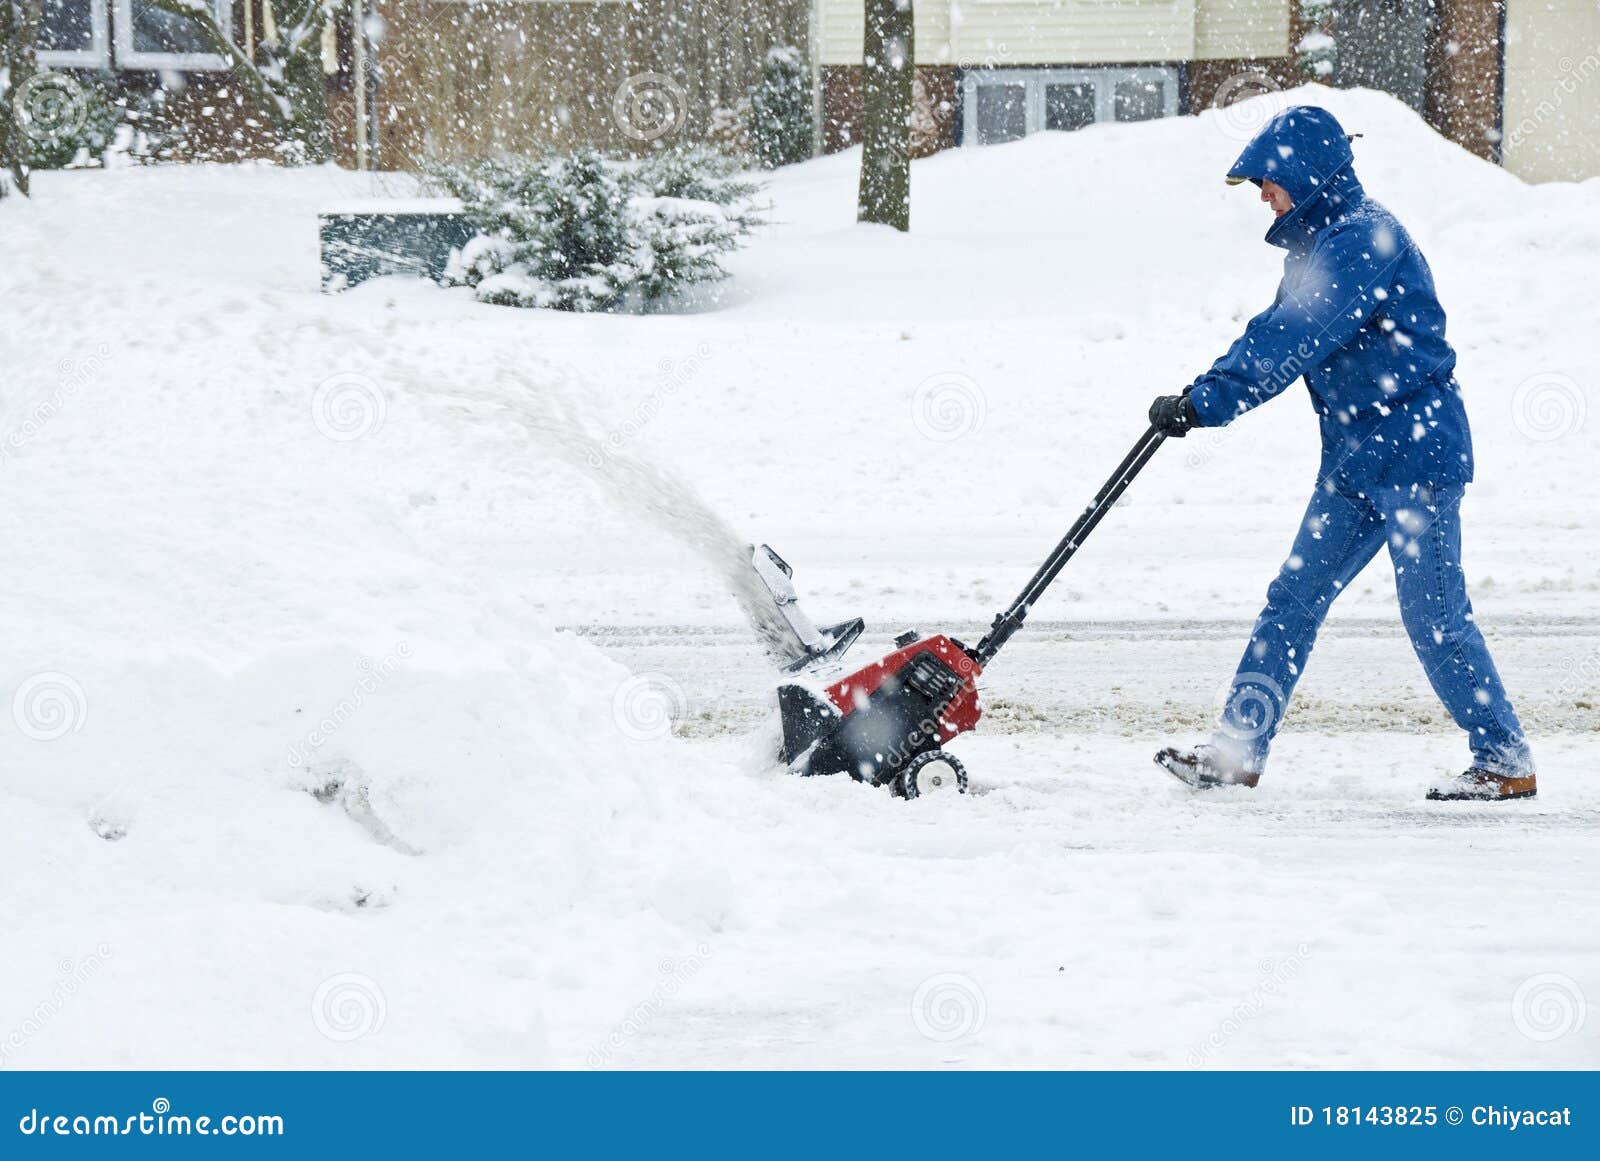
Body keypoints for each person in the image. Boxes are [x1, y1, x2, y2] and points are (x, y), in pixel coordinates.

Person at [1147, 105, 1534, 802]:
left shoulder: (1362, 241)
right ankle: (1236, 750)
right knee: (1292, 599)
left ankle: (1504, 757)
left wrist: (1209, 401)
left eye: (1270, 180)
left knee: (1436, 616)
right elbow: (1273, 329)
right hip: (1358, 461)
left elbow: (1294, 336)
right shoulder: (1322, 243)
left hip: (1415, 456)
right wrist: (1200, 391)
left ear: (1307, 172)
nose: (1264, 195)